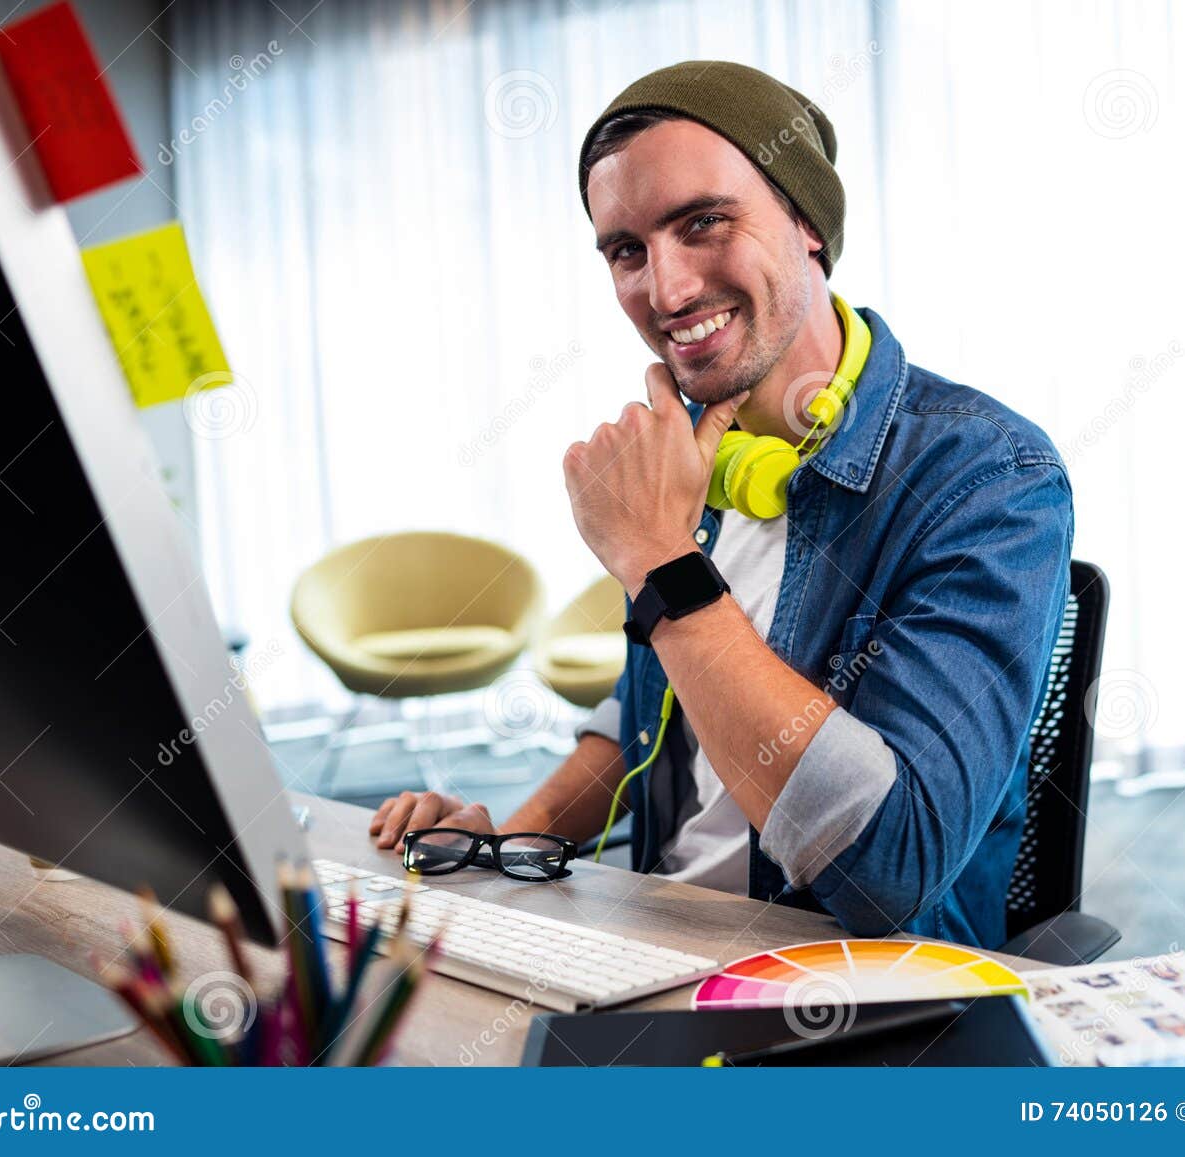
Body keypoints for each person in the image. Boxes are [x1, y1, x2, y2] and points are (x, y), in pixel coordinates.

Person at [371, 61, 1072, 949]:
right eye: (627, 251)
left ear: (808, 225)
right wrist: (504, 841)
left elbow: (891, 870)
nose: (665, 292)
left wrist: (664, 564)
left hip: (844, 1002)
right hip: (656, 950)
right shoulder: (691, 456)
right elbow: (639, 724)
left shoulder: (987, 475)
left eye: (703, 222)